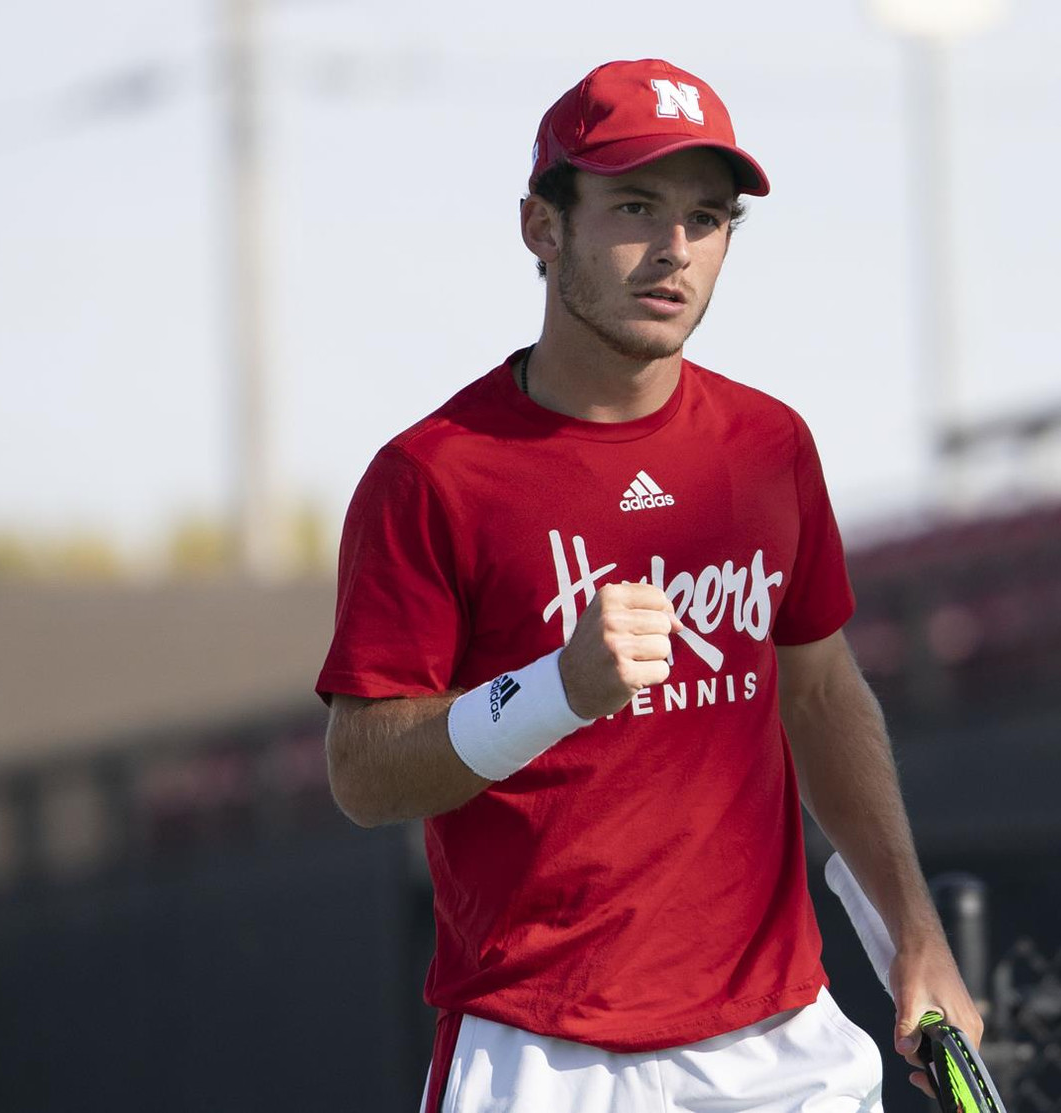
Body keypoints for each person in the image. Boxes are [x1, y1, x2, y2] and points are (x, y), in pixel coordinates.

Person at [315, 58, 979, 1112]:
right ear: (542, 226)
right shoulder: (431, 475)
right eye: (634, 207)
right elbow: (362, 770)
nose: (675, 250)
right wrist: (555, 689)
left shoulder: (770, 446)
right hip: (543, 1051)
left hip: (780, 1044)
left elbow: (819, 694)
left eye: (707, 219)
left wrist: (915, 937)